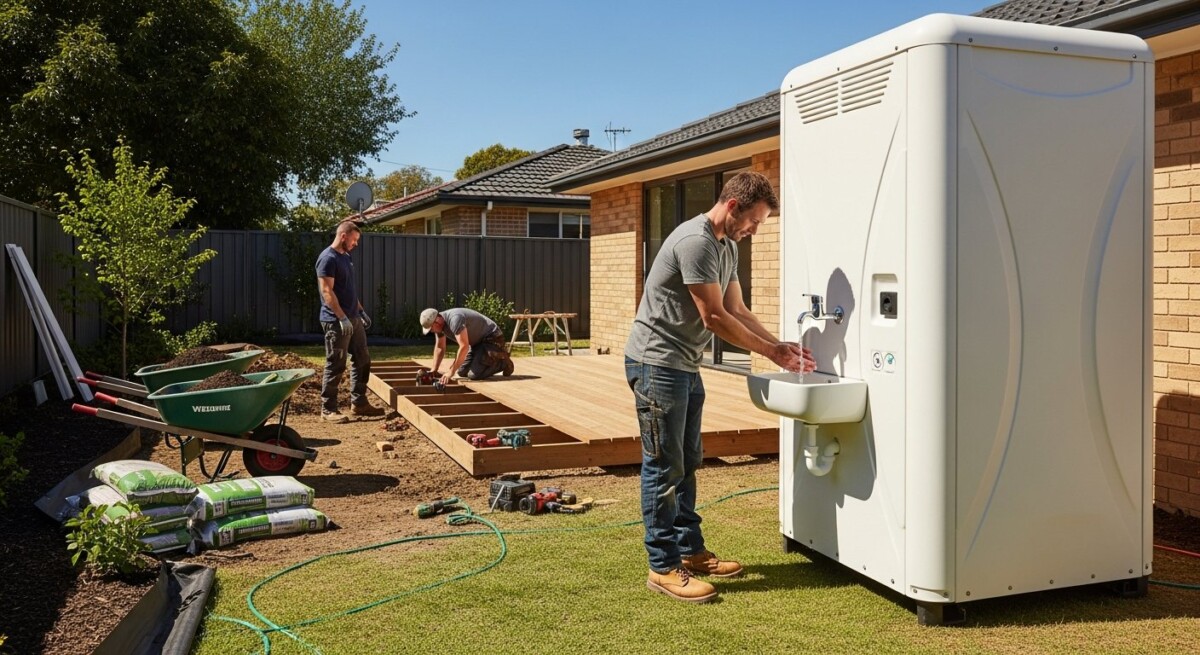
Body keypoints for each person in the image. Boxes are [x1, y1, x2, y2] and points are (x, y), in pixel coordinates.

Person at [625, 171, 815, 603]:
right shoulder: (696, 242)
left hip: (684, 366)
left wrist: (777, 343)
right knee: (663, 464)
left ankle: (690, 552)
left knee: (688, 460)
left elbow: (737, 309)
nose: (754, 231)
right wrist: (770, 354)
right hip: (656, 364)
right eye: (755, 221)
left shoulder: (726, 245)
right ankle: (662, 566)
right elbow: (713, 317)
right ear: (733, 206)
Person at [315, 220, 384, 423]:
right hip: (336, 321)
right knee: (336, 363)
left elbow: (348, 289)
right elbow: (327, 291)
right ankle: (328, 409)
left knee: (363, 359)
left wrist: (360, 311)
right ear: (343, 236)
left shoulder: (346, 257)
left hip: (353, 318)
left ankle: (359, 403)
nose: (356, 244)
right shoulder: (327, 258)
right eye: (354, 239)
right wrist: (342, 317)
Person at [419, 307, 514, 385]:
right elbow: (440, 347)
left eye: (431, 329)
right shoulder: (440, 326)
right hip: (477, 344)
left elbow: (464, 346)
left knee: (474, 375)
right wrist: (434, 370)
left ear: (437, 322)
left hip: (492, 338)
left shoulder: (455, 319)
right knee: (462, 372)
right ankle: (486, 360)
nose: (432, 331)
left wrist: (451, 372)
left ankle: (503, 362)